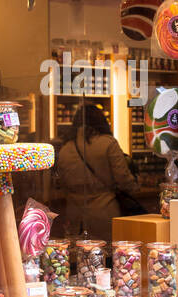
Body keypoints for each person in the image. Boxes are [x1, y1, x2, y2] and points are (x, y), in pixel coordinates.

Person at [54, 102, 138, 241]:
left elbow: (62, 182)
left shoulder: (66, 148)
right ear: (101, 121)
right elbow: (123, 179)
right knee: (107, 256)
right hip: (104, 212)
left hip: (74, 214)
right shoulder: (108, 144)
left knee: (78, 255)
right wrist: (136, 186)